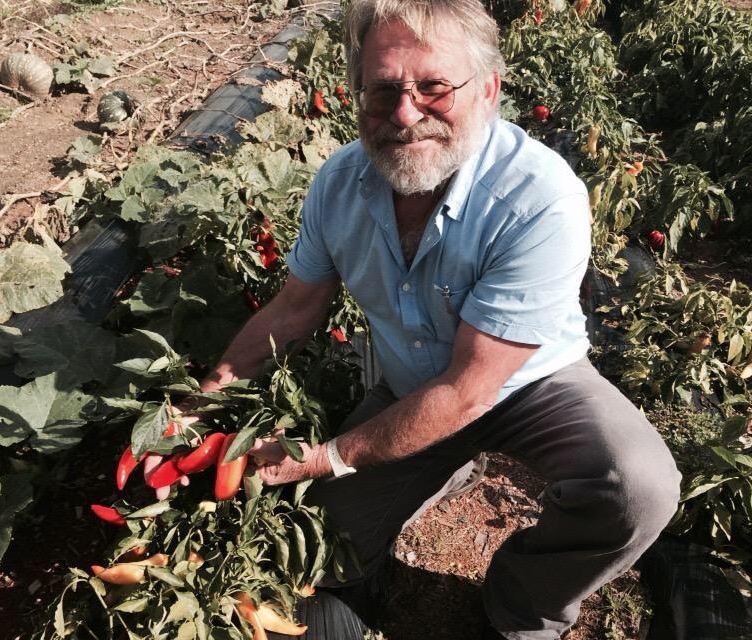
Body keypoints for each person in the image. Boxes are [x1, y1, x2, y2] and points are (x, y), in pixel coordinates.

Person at [192, 0, 681, 637]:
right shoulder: (339, 184)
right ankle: (401, 520)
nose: (404, 113)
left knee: (634, 486)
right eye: (383, 89)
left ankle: (524, 605)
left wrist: (325, 458)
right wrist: (204, 396)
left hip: (528, 384)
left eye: (432, 87)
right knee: (328, 536)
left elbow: (470, 388)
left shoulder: (538, 197)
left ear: (488, 91)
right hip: (408, 387)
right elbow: (296, 306)